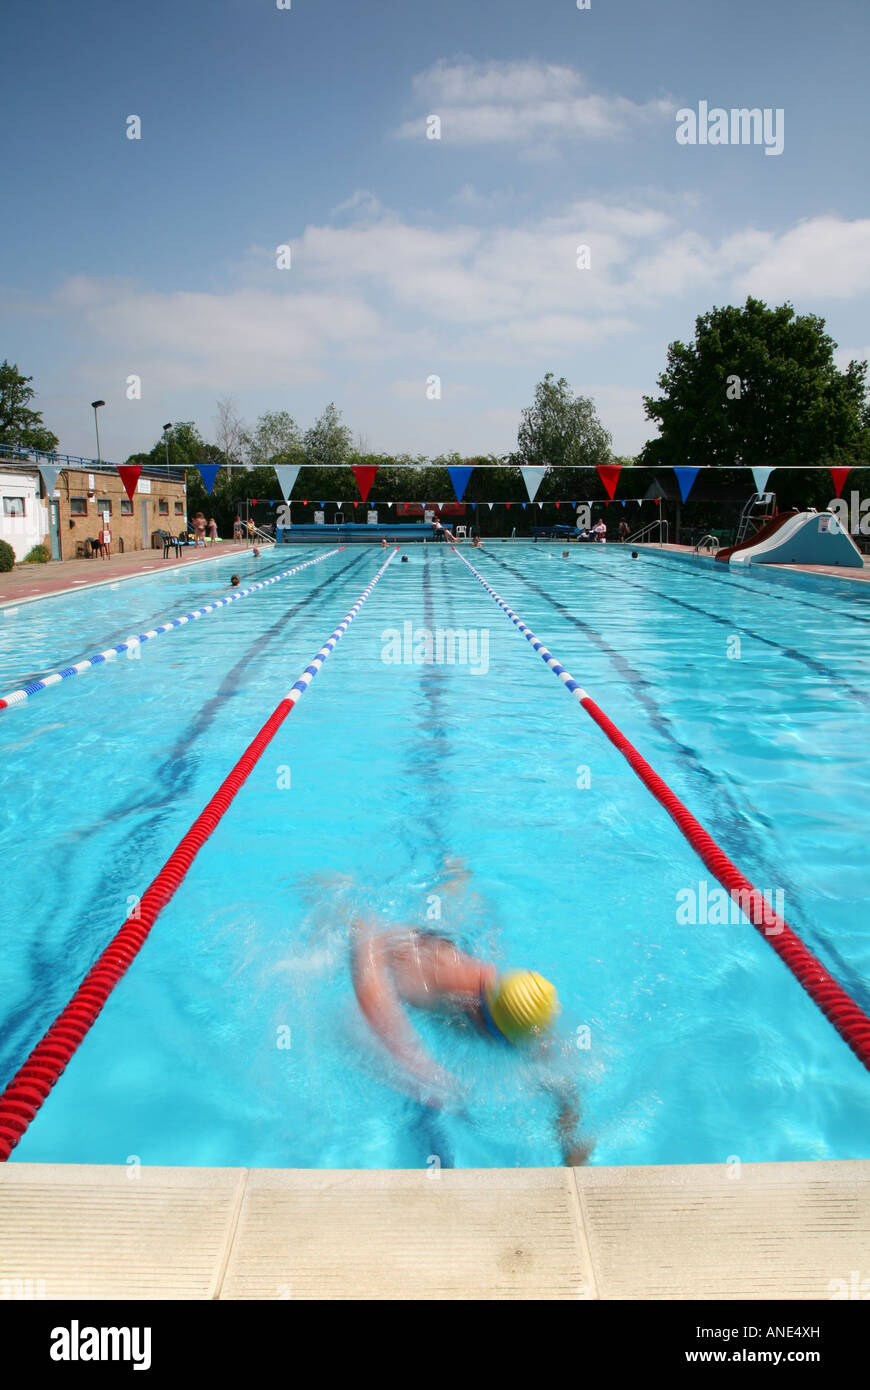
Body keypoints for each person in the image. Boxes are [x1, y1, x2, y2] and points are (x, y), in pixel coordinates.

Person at [350, 919, 592, 1165]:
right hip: (369, 946)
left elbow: (562, 1080)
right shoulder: (430, 982)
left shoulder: (511, 1006)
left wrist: (571, 1134)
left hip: (438, 938)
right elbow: (369, 945)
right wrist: (421, 1066)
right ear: (485, 1015)